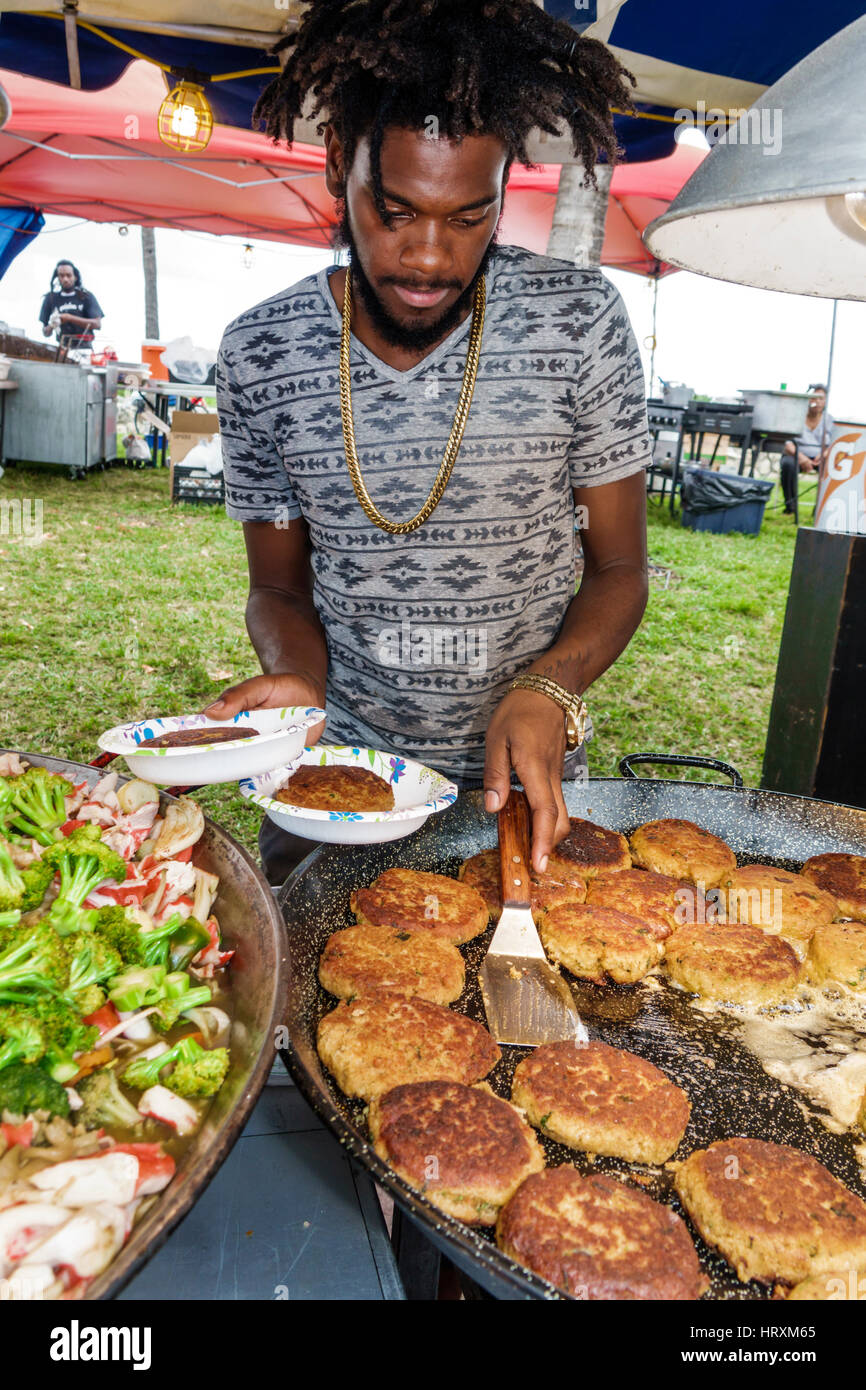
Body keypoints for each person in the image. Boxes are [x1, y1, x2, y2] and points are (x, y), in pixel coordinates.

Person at [207, 0, 651, 884]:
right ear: (341, 163)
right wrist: (299, 683)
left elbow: (617, 571)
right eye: (396, 209)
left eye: (467, 218)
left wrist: (550, 689)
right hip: (340, 783)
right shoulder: (260, 351)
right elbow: (278, 586)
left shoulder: (579, 322)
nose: (429, 258)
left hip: (517, 787)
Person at [780, 384, 834, 515]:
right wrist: (801, 458)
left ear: (825, 401)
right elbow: (787, 443)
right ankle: (790, 507)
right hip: (796, 455)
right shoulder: (797, 416)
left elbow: (833, 443)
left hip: (820, 458)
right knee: (787, 465)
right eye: (814, 397)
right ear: (808, 399)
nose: (817, 401)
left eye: (821, 398)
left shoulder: (829, 420)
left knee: (832, 468)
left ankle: (819, 510)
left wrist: (824, 454)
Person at [39, 260, 104, 351]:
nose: (65, 279)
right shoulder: (50, 298)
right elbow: (46, 333)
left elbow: (97, 324)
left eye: (68, 275)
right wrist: (52, 325)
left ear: (75, 277)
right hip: (62, 348)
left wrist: (69, 318)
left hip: (85, 349)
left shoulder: (86, 297)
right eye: (61, 276)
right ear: (57, 277)